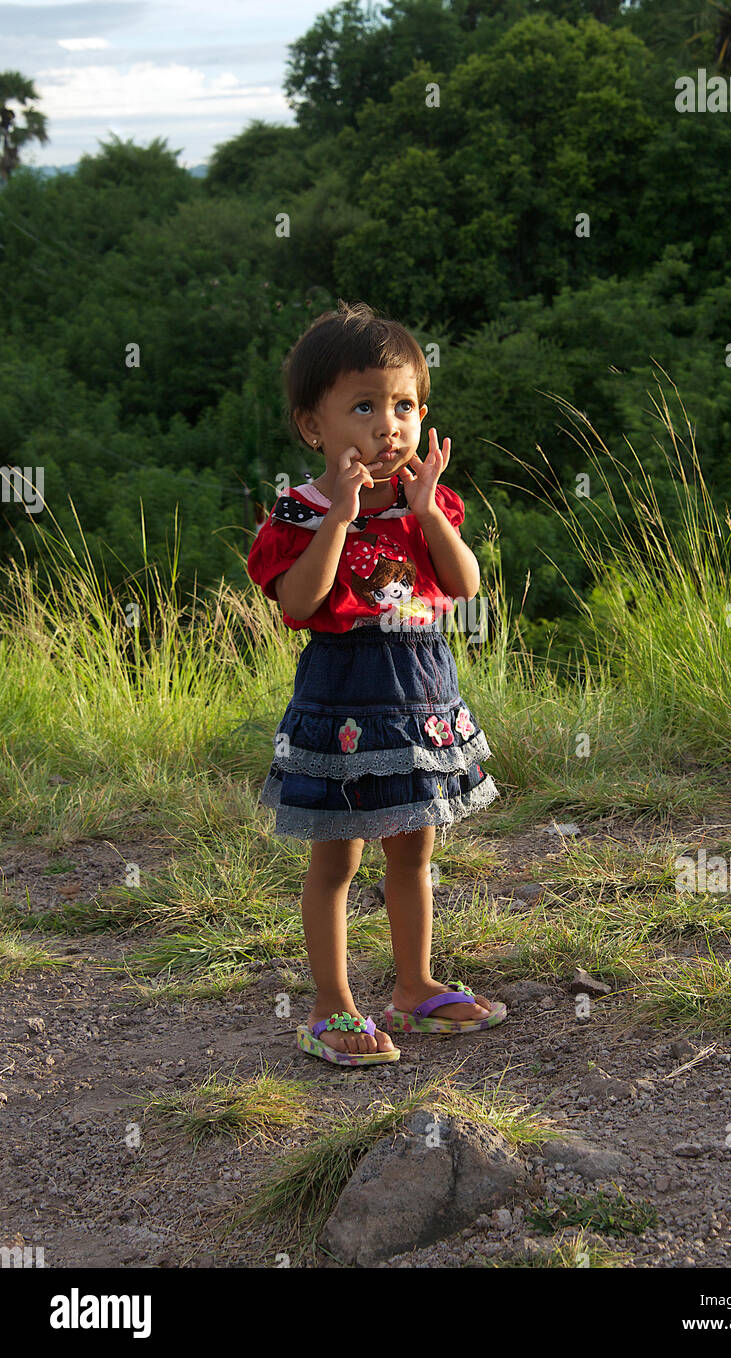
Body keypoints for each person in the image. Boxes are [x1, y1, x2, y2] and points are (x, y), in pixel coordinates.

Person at [247, 300, 507, 1067]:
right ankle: (331, 1008)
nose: (388, 426)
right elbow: (299, 604)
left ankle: (414, 986)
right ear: (312, 426)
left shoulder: (424, 502)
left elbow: (463, 585)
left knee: (412, 847)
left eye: (403, 407)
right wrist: (338, 520)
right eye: (363, 407)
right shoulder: (300, 512)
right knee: (337, 858)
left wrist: (430, 516)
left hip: (419, 692)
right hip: (343, 696)